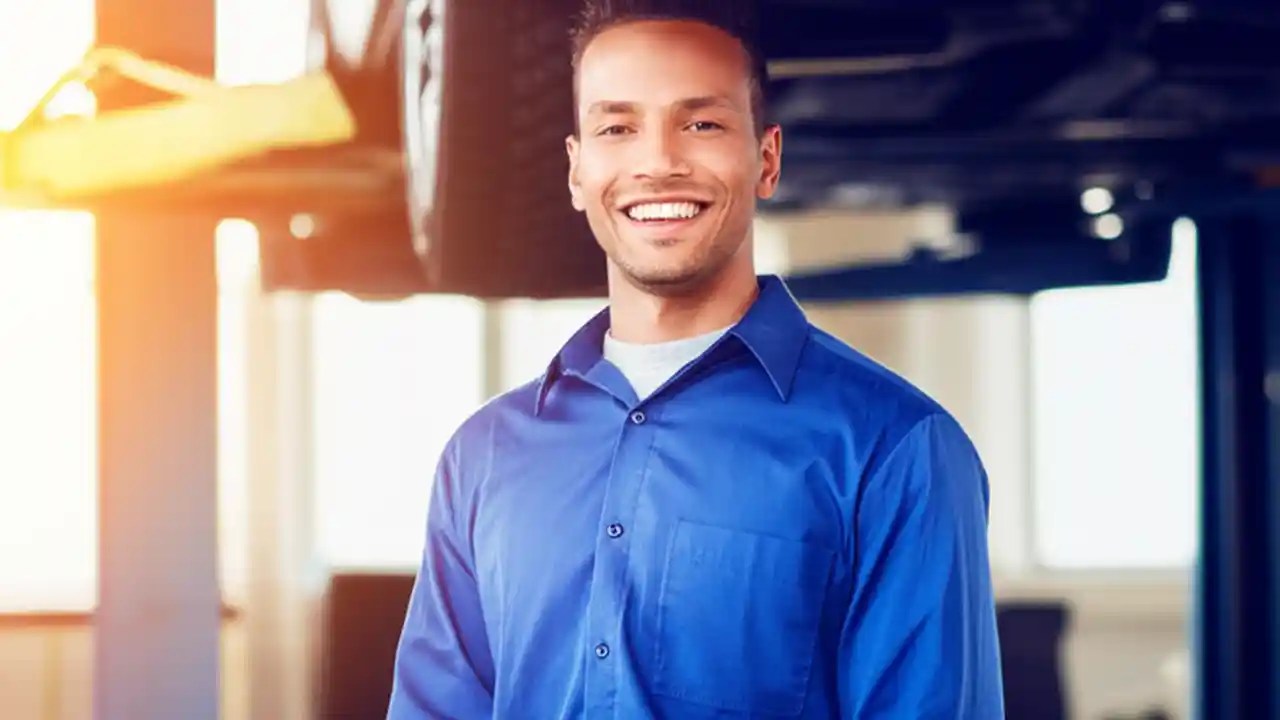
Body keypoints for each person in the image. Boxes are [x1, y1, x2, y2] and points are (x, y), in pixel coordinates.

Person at [388, 2, 1005, 718]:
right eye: (617, 128)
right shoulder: (484, 456)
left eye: (701, 124)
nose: (657, 163)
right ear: (576, 168)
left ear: (767, 159)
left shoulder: (895, 451)